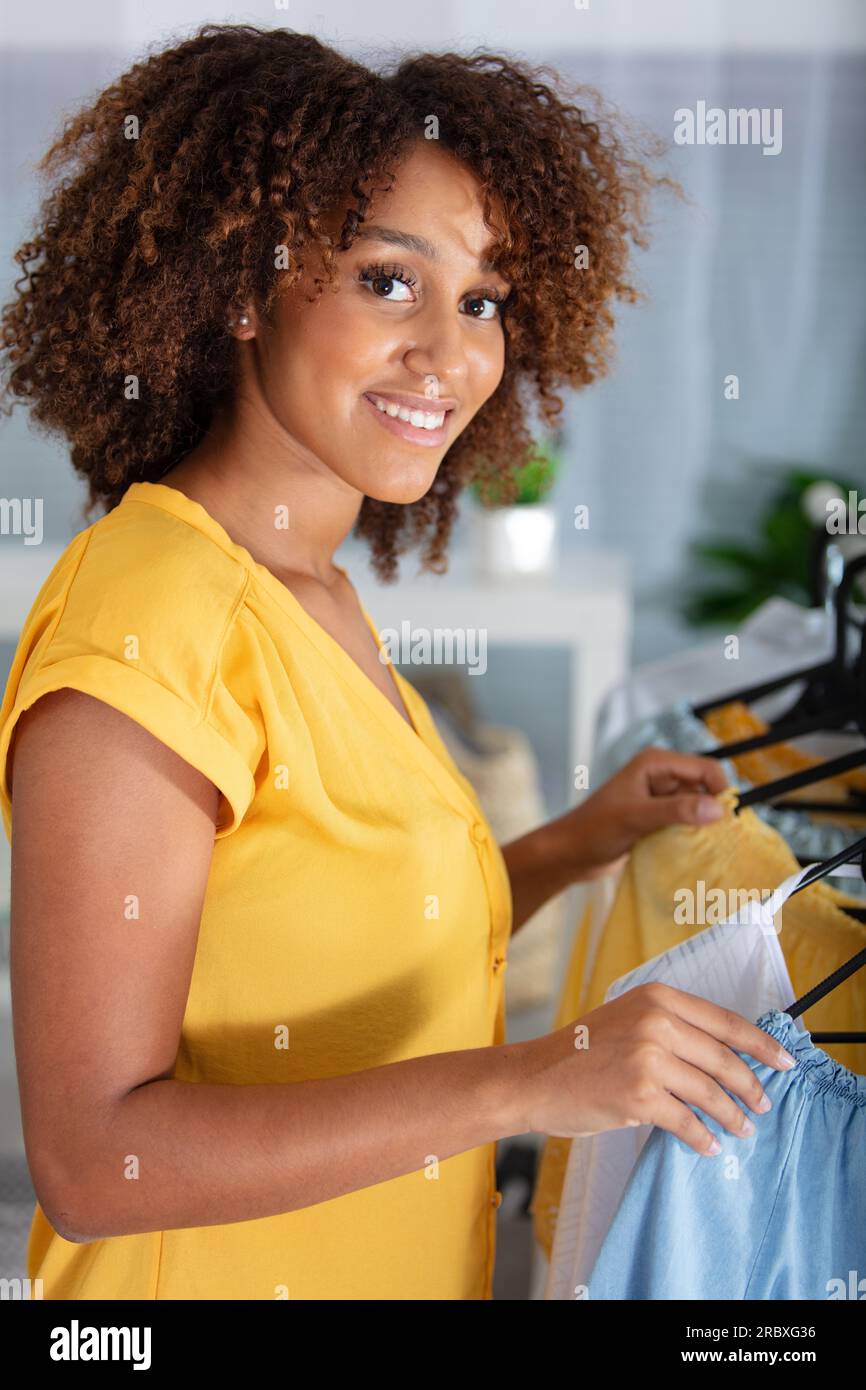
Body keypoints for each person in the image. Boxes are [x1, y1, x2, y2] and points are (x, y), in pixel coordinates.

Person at [0, 24, 794, 1300]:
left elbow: (333, 939)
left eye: (481, 298)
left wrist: (570, 844)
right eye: (387, 281)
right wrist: (539, 1076)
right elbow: (98, 1161)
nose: (451, 351)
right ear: (243, 287)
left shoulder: (307, 591)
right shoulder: (147, 619)